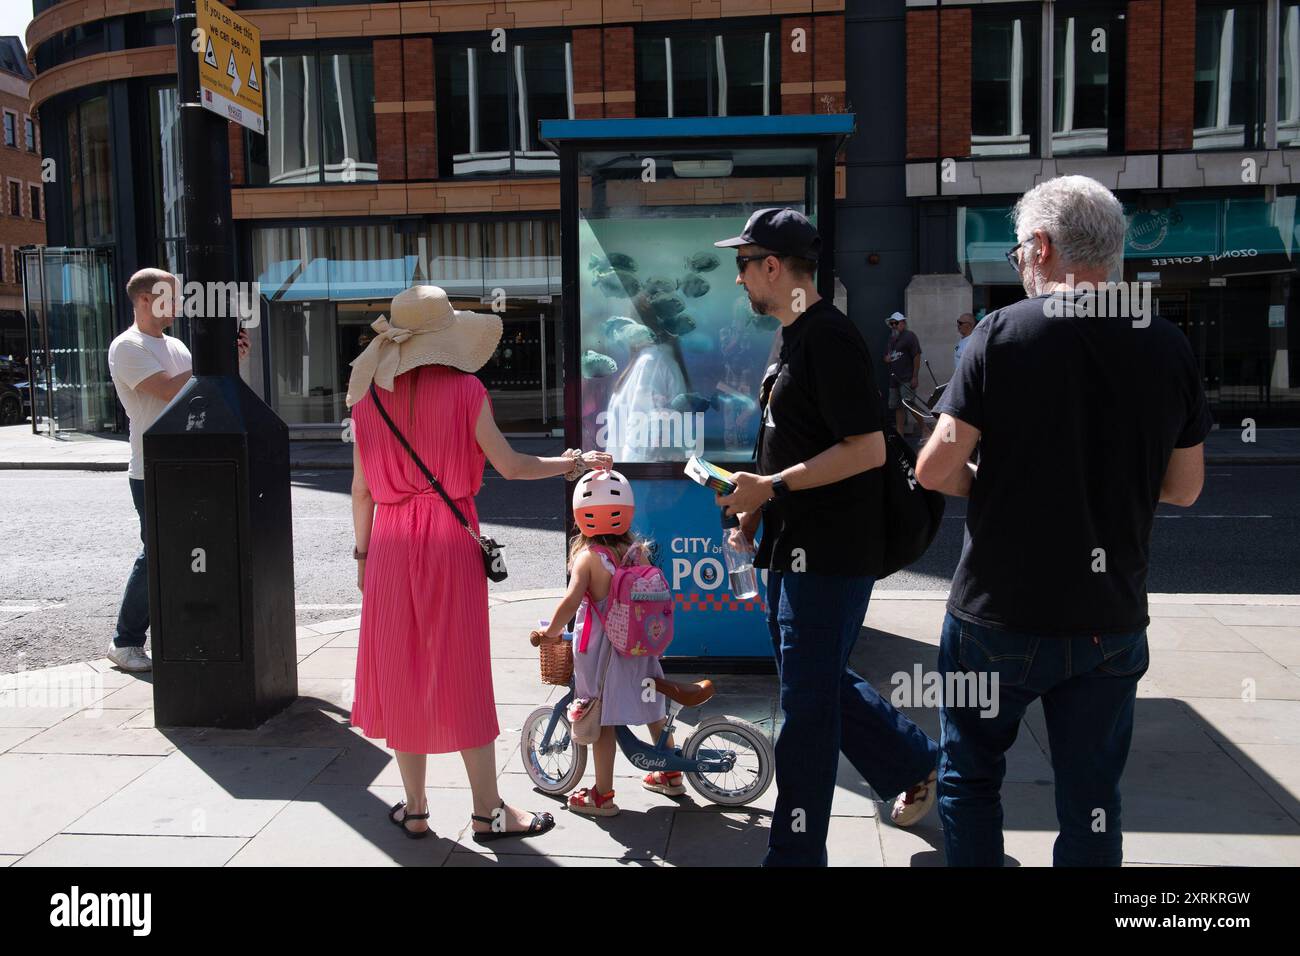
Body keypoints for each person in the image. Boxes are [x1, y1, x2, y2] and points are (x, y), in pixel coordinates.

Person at [916, 175, 1212, 866]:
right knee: (1093, 798)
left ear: (1042, 248)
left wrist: (995, 484)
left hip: (997, 614)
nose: (1019, 263)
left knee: (972, 777)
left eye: (1021, 249)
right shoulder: (1167, 344)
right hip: (1108, 619)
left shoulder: (1001, 335)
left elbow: (934, 469)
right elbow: (1186, 488)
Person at [712, 208, 940, 867]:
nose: (738, 280)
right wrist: (755, 503)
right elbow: (798, 439)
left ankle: (794, 855)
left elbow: (867, 450)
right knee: (814, 685)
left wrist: (772, 489)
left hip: (831, 556)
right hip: (792, 548)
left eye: (744, 265)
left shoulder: (828, 339)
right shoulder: (795, 337)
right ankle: (914, 761)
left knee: (806, 717)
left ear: (774, 267)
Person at [346, 284, 611, 841]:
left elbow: (362, 489)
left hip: (390, 544)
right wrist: (570, 464)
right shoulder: (466, 391)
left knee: (402, 673)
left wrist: (364, 554)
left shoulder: (367, 395)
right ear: (445, 338)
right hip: (448, 539)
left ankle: (416, 809)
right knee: (461, 670)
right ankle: (488, 810)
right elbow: (511, 467)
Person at [106, 268, 249, 672]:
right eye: (170, 297)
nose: (179, 305)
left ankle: (181, 632)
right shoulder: (128, 347)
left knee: (185, 549)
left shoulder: (178, 346)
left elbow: (203, 390)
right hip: (150, 466)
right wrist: (214, 361)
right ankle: (126, 641)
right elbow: (170, 390)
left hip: (188, 460)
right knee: (156, 553)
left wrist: (228, 363)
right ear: (145, 299)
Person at [531, 469, 680, 816]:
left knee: (602, 720)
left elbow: (570, 602)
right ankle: (670, 773)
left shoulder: (588, 559)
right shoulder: (636, 551)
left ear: (581, 514)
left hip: (602, 654)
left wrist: (551, 631)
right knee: (652, 703)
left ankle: (602, 794)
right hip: (640, 648)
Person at [885, 312, 922, 436]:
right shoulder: (891, 338)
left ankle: (926, 430)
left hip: (906, 377)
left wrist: (915, 376)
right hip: (894, 378)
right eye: (892, 323)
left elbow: (917, 355)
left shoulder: (909, 336)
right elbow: (888, 356)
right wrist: (886, 359)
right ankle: (900, 434)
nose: (894, 325)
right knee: (897, 407)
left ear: (903, 323)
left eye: (896, 323)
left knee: (909, 405)